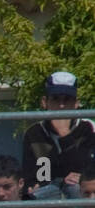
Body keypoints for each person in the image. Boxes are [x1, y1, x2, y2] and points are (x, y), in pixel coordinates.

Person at [22, 71, 95, 200]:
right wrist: (33, 187)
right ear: (45, 102)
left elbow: (87, 171)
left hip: (81, 194)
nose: (61, 105)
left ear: (76, 104)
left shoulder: (88, 129)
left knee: (75, 188)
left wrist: (65, 135)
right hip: (48, 194)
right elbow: (31, 178)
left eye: (67, 100)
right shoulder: (34, 133)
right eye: (55, 99)